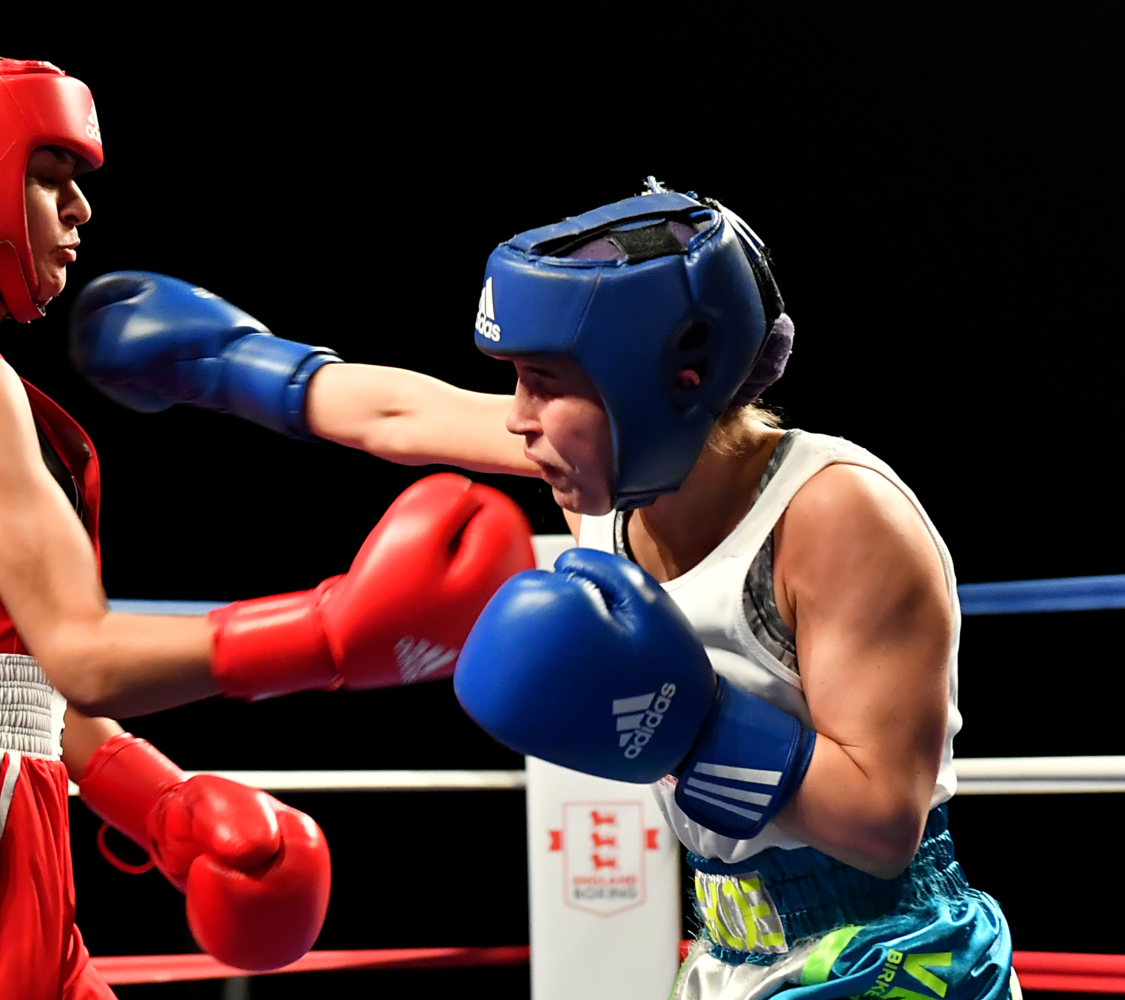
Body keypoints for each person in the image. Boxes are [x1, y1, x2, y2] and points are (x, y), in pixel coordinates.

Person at [68, 181, 1019, 999]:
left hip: (895, 952)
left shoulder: (837, 519)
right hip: (728, 945)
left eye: (539, 382)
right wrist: (228, 365)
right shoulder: (603, 477)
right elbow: (403, 413)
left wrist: (684, 724)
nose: (515, 421)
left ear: (667, 383)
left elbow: (885, 822)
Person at [0, 55, 535, 1000]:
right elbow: (82, 656)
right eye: (50, 177)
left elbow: (0, 678)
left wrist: (160, 805)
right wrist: (331, 633)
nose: (80, 213)